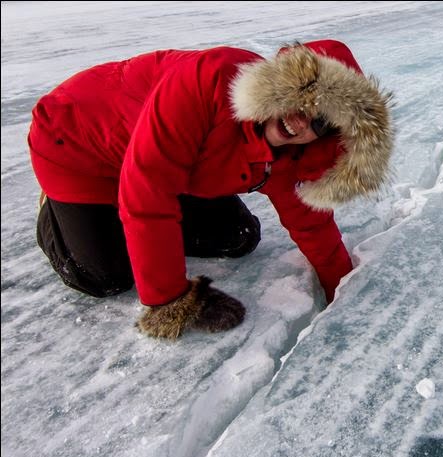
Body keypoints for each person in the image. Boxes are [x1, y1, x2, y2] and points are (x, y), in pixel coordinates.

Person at [28, 39, 393, 340]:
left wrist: (341, 289)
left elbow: (309, 222)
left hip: (170, 160)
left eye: (320, 120)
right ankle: (56, 212)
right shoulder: (209, 81)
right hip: (77, 144)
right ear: (282, 82)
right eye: (301, 98)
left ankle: (145, 204)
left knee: (240, 236)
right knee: (106, 277)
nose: (300, 120)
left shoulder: (294, 149)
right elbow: (148, 192)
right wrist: (171, 301)